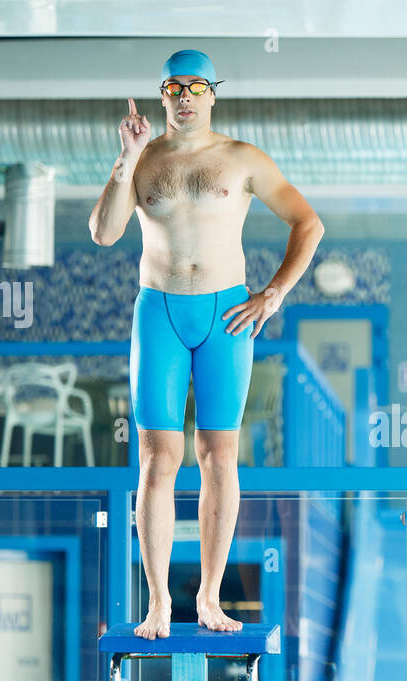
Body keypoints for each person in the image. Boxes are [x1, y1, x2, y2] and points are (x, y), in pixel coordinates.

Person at [89, 50, 323, 637]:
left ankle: (211, 598)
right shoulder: (143, 162)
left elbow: (308, 222)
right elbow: (103, 232)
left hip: (226, 315)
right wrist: (127, 157)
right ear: (163, 96)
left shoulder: (242, 159)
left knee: (219, 456)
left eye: (197, 86)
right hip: (159, 311)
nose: (186, 96)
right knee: (156, 459)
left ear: (213, 94)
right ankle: (160, 600)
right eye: (175, 87)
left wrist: (273, 295)